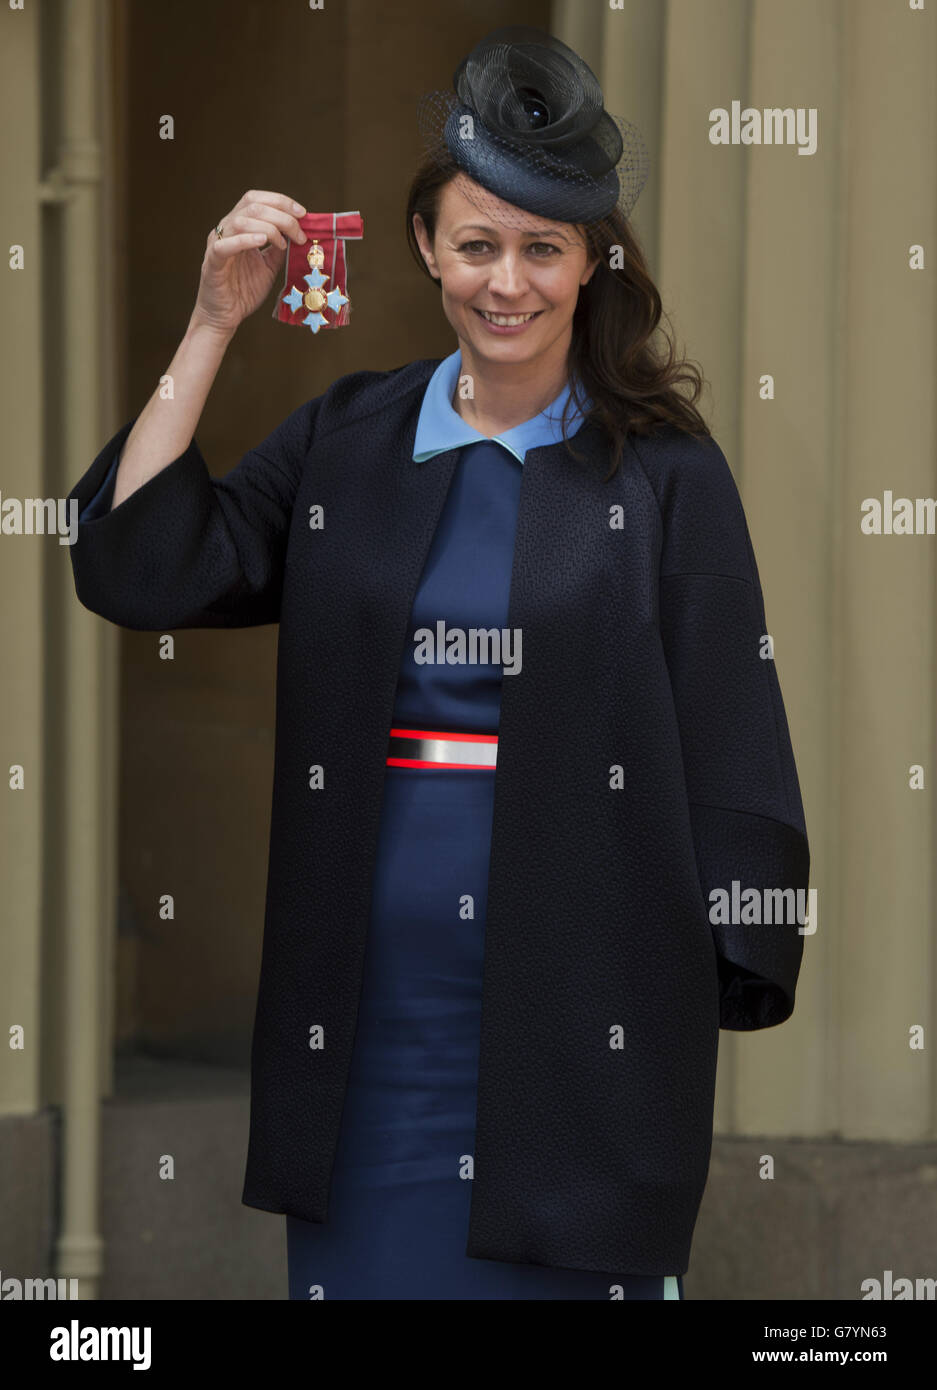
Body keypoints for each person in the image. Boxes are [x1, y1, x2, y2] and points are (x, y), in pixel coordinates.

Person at [68, 26, 809, 1300]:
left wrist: (712, 972)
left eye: (542, 248)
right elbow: (144, 567)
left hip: (581, 1022)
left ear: (591, 262)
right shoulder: (346, 440)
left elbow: (732, 728)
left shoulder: (667, 474)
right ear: (424, 246)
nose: (505, 282)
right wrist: (211, 323)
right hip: (366, 1021)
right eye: (476, 245)